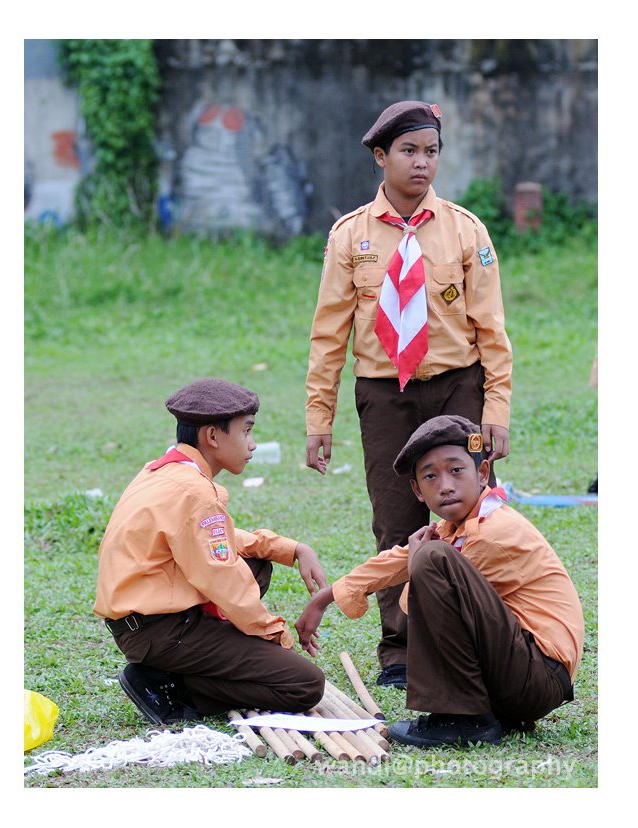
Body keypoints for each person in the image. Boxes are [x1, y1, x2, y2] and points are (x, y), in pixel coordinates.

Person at [304, 100, 513, 689]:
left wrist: (495, 409)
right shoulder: (350, 236)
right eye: (409, 151)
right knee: (395, 518)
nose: (422, 163)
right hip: (384, 396)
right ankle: (399, 647)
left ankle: (484, 633)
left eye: (432, 151)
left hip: (459, 390)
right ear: (381, 156)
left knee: (475, 512)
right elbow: (328, 334)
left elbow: (492, 329)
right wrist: (319, 420)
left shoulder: (466, 230)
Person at [296, 415, 584, 748]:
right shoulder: (462, 524)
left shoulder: (493, 532)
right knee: (431, 556)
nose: (445, 485)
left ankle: (463, 719)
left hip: (538, 679)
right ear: (417, 490)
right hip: (522, 676)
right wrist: (325, 597)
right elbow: (397, 560)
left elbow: (427, 600)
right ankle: (479, 712)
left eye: (456, 470)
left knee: (432, 558)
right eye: (430, 476)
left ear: (482, 473)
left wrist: (420, 561)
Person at [95, 378, 326, 724]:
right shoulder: (195, 493)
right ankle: (170, 685)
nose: (252, 444)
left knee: (258, 564)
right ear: (213, 437)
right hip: (160, 632)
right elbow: (224, 579)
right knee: (305, 685)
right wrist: (276, 635)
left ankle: (194, 660)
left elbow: (220, 540)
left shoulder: (165, 470)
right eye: (246, 431)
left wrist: (291, 549)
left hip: (144, 623)